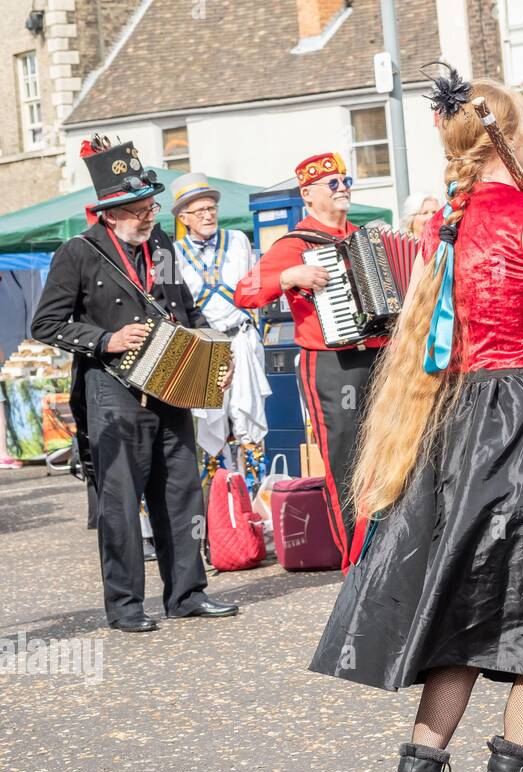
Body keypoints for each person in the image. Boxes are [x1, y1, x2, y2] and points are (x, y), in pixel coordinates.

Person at [310, 76, 523, 772]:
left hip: (449, 426)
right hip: (519, 422)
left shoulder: (443, 225)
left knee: (459, 610)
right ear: (511, 136)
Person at [31, 138, 236, 632]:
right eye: (139, 210)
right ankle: (124, 607)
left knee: (182, 491)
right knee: (120, 503)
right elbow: (46, 324)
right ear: (111, 212)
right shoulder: (77, 253)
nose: (149, 217)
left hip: (173, 383)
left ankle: (187, 594)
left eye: (151, 207)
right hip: (112, 390)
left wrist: (214, 355)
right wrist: (106, 338)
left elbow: (184, 308)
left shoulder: (161, 245)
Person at [234, 152, 385, 571]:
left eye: (346, 180)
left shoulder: (366, 238)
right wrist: (288, 278)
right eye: (332, 184)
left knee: (390, 452)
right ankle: (357, 560)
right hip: (332, 364)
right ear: (308, 194)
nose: (343, 188)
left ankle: (393, 550)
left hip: (381, 355)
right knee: (345, 458)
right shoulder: (295, 245)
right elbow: (244, 292)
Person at [171, 171, 271, 483]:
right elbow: (165, 303)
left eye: (211, 208)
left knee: (249, 418)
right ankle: (216, 509)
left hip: (240, 338)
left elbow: (255, 286)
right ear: (184, 217)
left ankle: (255, 502)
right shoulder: (168, 254)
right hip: (203, 346)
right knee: (209, 424)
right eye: (199, 211)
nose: (207, 215)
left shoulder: (239, 240)